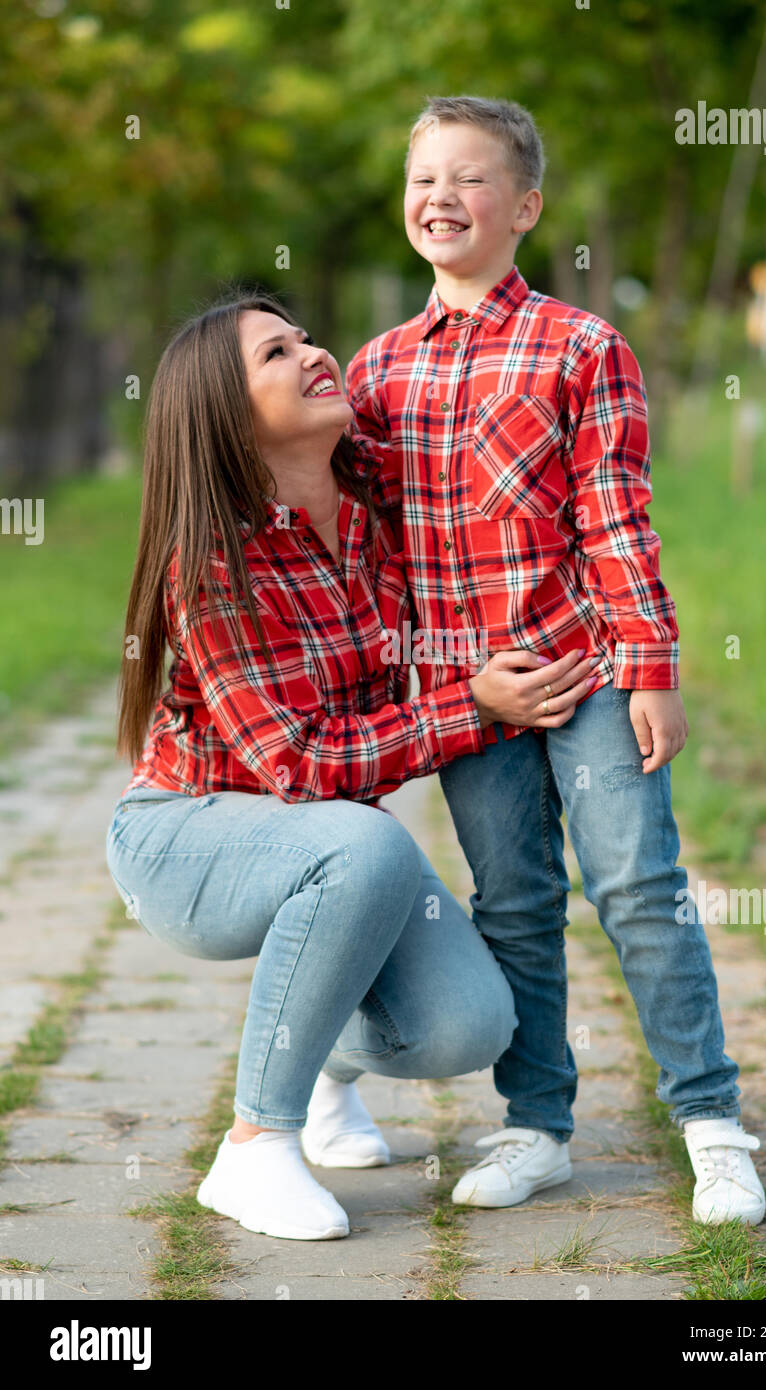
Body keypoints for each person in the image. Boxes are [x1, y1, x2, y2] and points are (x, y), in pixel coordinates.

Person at [345, 95, 766, 1224]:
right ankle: (537, 1124)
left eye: (470, 178)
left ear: (525, 207)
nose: (442, 196)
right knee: (515, 903)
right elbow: (374, 550)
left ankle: (711, 1120)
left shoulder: (582, 345)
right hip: (471, 691)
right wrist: (422, 684)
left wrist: (652, 665)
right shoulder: (376, 371)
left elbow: (615, 520)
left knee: (637, 885)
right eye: (423, 175)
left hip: (586, 673)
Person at [106, 291, 599, 1242]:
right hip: (188, 836)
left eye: (304, 337)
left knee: (468, 1024)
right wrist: (470, 709)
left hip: (331, 844)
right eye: (275, 355)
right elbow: (297, 767)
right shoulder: (211, 565)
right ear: (226, 415)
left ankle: (322, 1072)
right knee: (366, 842)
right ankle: (255, 1145)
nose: (312, 353)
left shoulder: (377, 522)